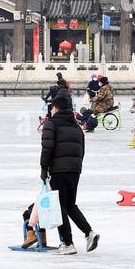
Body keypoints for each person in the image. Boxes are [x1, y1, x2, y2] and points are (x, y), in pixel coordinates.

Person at [40, 92, 97, 256]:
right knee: (70, 205)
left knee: (59, 207)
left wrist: (44, 169)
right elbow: (82, 150)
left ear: (55, 108)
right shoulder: (76, 125)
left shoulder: (51, 124)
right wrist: (76, 166)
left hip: (59, 170)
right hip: (75, 169)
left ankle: (67, 243)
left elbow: (47, 148)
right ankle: (89, 233)